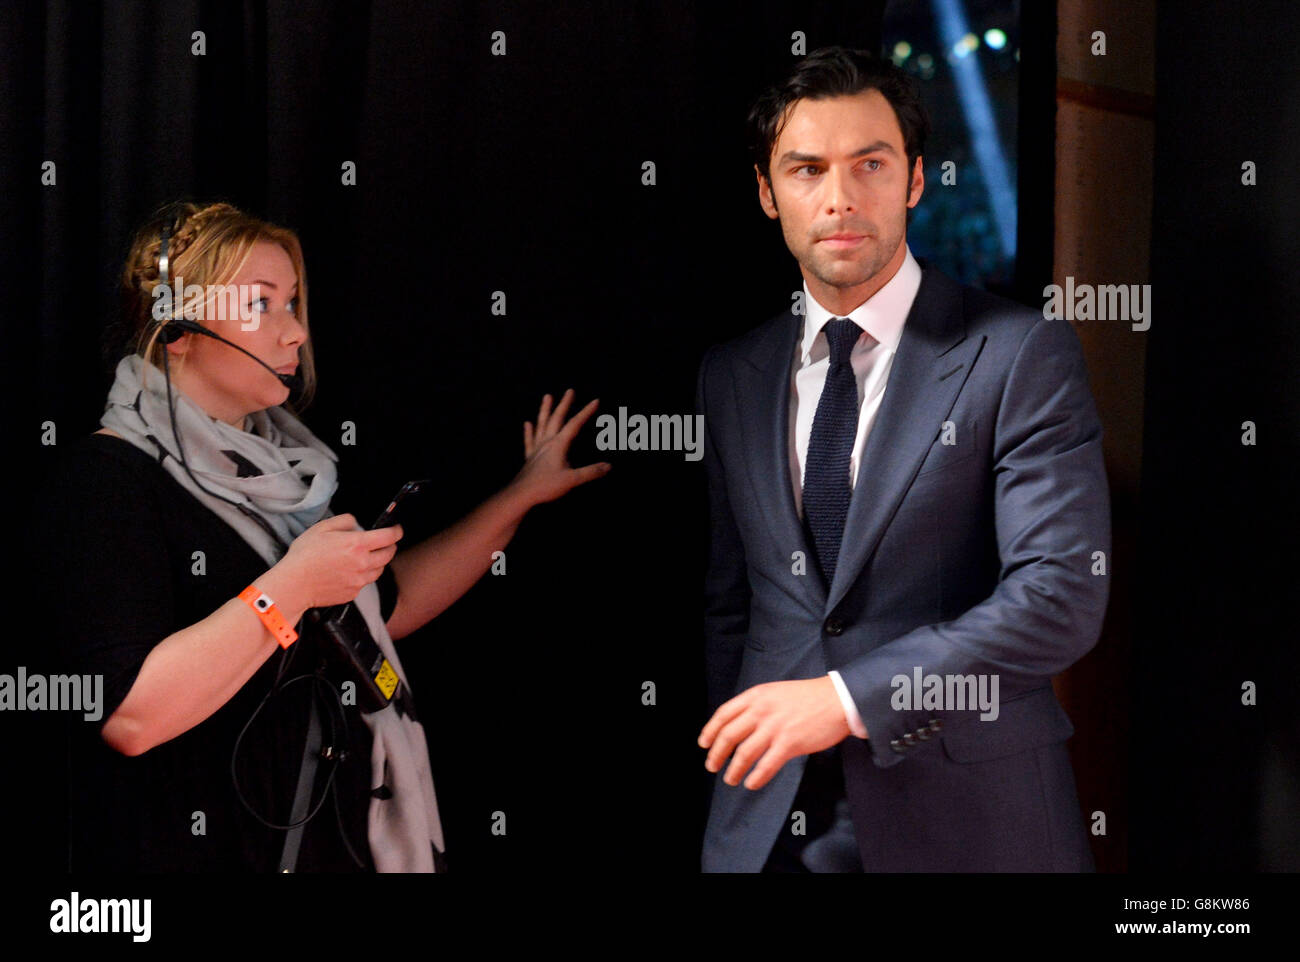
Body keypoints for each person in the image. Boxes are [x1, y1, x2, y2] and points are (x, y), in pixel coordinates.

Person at [42, 201, 610, 872]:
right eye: (263, 304)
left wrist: (521, 496)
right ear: (178, 327)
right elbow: (131, 717)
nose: (294, 334)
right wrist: (290, 587)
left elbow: (385, 606)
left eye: (293, 303)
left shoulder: (283, 475)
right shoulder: (108, 482)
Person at [694, 47, 1110, 872]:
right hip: (766, 822)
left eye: (871, 165)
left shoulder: (1022, 352)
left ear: (916, 181)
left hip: (970, 822)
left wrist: (847, 700)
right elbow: (733, 606)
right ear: (767, 193)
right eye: (807, 169)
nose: (841, 199)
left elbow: (1059, 595)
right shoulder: (730, 374)